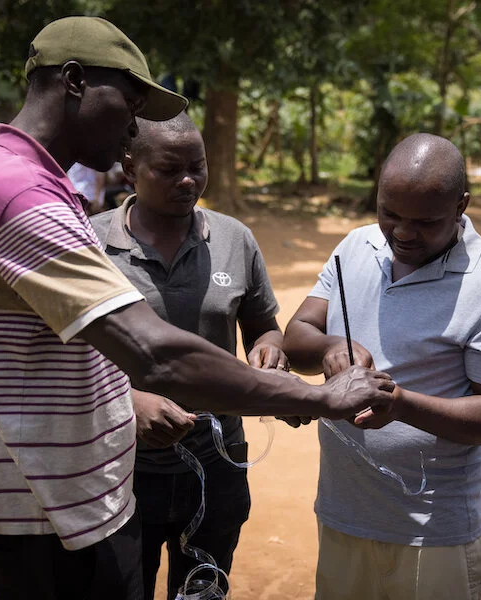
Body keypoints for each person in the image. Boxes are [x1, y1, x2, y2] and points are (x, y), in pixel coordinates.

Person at [0, 16, 393, 600]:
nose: (133, 123)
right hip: (48, 513)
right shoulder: (19, 195)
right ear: (73, 81)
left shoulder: (23, 185)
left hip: (70, 497)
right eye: (128, 101)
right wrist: (319, 396)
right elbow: (155, 355)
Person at [283, 133, 481, 600]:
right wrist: (332, 347)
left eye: (424, 221)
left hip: (433, 536)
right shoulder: (355, 248)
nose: (401, 232)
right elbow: (296, 334)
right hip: (342, 516)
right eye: (389, 213)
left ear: (461, 207)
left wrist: (400, 405)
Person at [90, 113, 286, 599]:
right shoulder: (90, 244)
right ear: (129, 167)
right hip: (118, 473)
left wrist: (268, 351)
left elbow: (264, 327)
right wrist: (128, 402)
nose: (188, 181)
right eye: (169, 169)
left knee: (204, 592)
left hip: (217, 467)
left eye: (197, 166)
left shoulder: (234, 239)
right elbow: (64, 353)